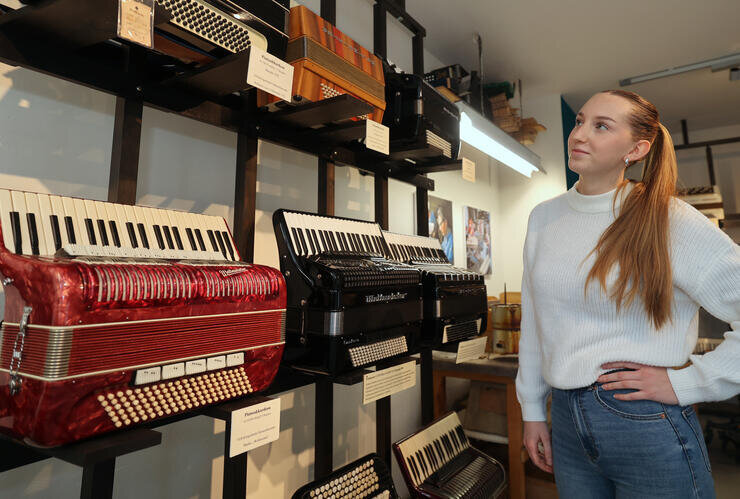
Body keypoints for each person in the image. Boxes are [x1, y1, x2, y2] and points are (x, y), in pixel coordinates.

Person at [515, 89, 739, 498]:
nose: (579, 134)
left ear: (636, 149)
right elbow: (535, 322)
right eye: (580, 120)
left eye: (601, 126)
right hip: (565, 420)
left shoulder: (667, 218)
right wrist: (532, 410)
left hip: (645, 419)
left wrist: (688, 383)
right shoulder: (543, 218)